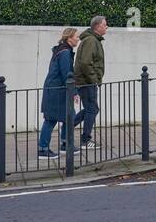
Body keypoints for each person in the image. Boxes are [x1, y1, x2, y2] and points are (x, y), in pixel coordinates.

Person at [38, 28, 79, 158]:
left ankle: (65, 144)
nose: (78, 39)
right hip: (56, 90)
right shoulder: (65, 53)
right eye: (76, 36)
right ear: (69, 38)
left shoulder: (62, 50)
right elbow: (67, 74)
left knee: (69, 115)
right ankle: (43, 149)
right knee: (51, 119)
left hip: (56, 89)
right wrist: (74, 92)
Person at [72, 15, 107, 151]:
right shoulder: (91, 41)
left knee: (91, 109)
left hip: (86, 82)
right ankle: (85, 140)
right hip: (86, 82)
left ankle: (68, 127)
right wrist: (94, 80)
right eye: (105, 24)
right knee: (92, 109)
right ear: (97, 26)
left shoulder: (92, 40)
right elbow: (86, 63)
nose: (106, 27)